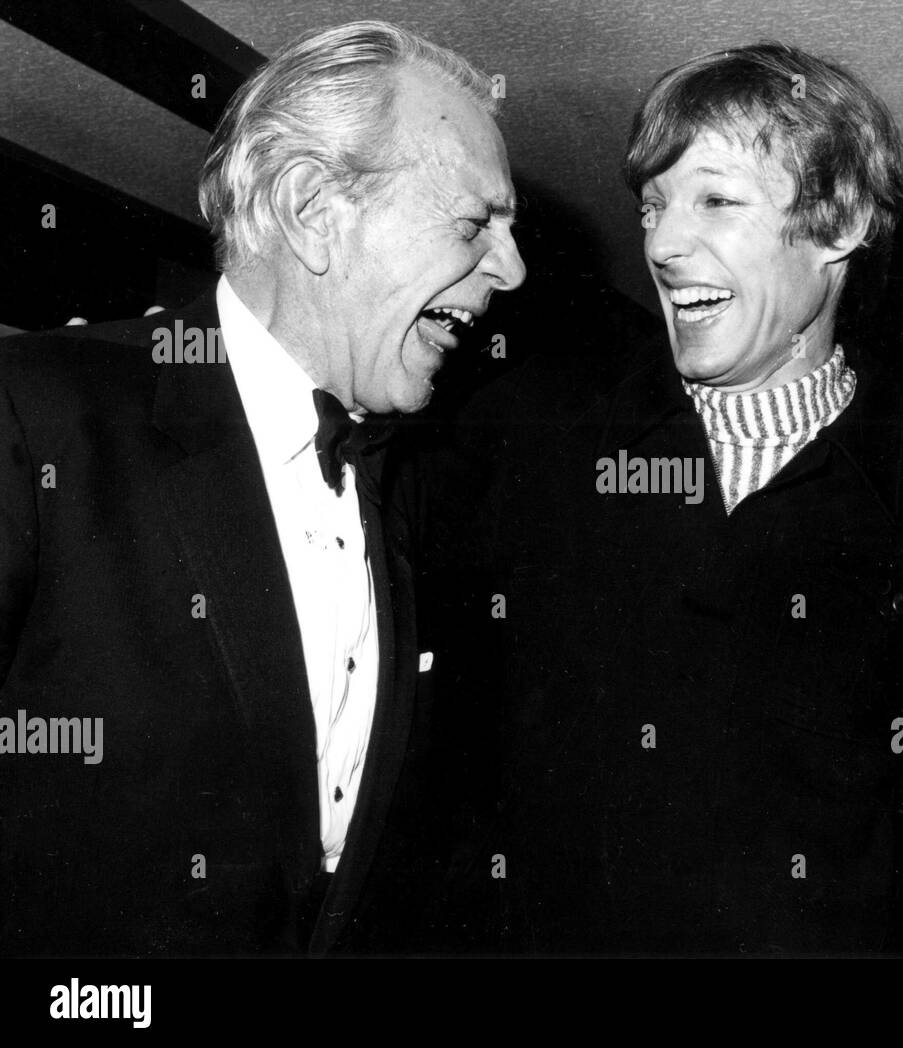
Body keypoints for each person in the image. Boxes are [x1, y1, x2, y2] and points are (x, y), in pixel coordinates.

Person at [453, 41, 903, 954]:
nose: (661, 242)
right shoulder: (526, 429)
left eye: (716, 200)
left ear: (839, 225)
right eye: (653, 206)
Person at [0, 20, 524, 955]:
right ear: (313, 206)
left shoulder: (417, 492)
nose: (512, 269)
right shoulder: (34, 412)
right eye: (475, 222)